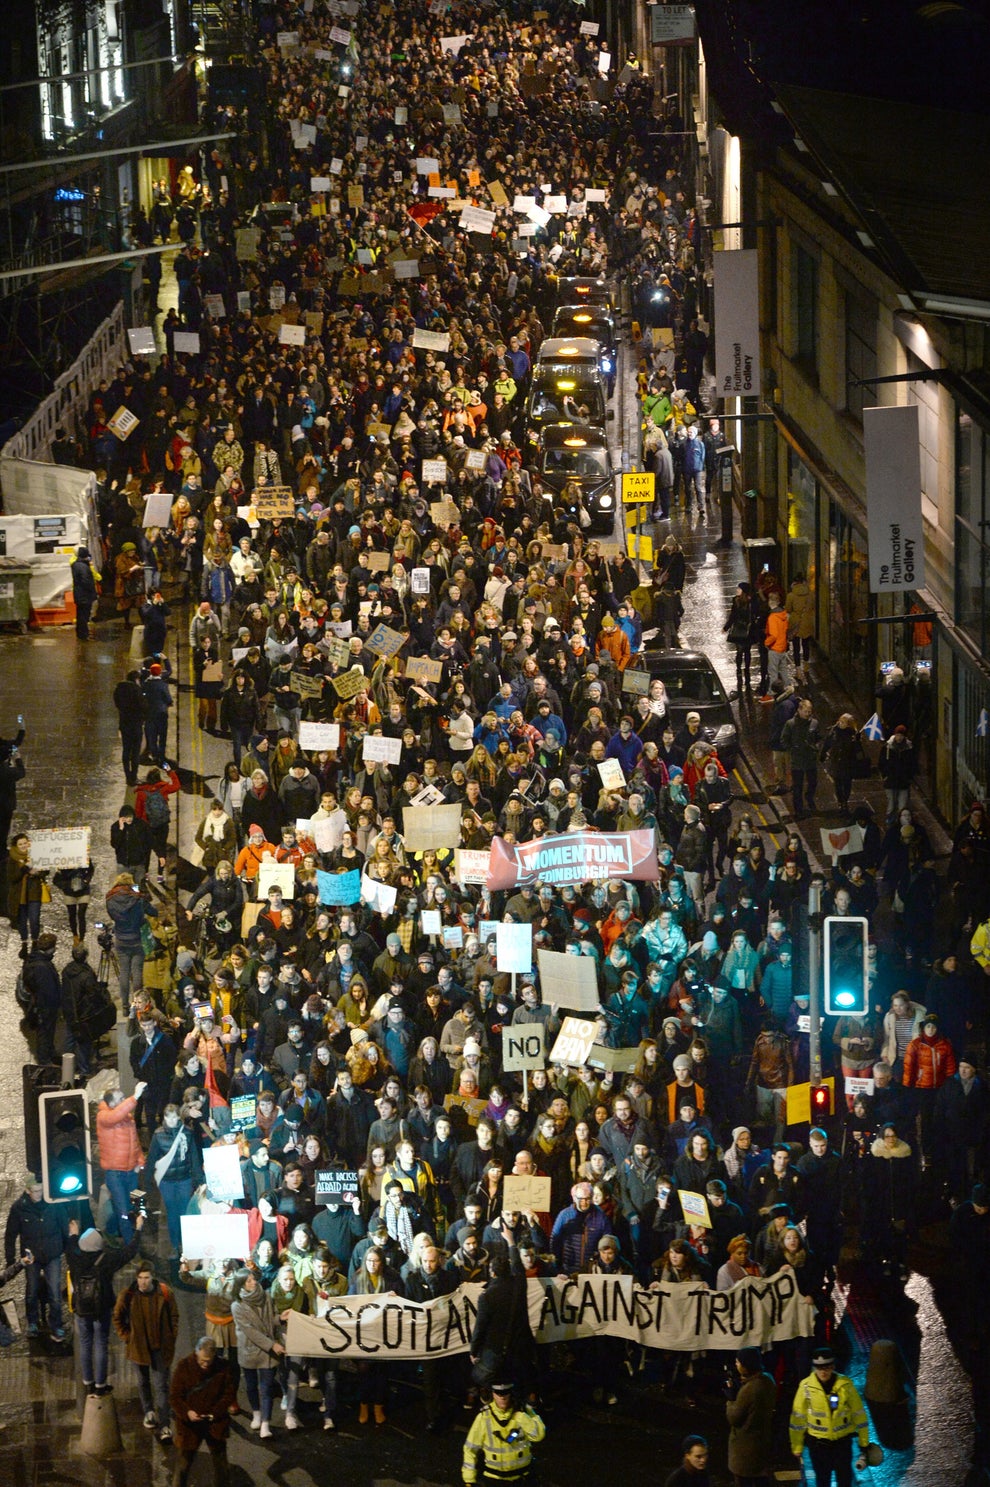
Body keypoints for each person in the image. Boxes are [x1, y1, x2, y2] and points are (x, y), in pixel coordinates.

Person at [65, 1212, 144, 1396]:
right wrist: (138, 1229)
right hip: (102, 1307)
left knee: (85, 1343)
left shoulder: (74, 1258)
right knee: (101, 1343)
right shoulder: (107, 1260)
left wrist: (74, 1233)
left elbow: (70, 1243)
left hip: (82, 1309)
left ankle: (88, 1382)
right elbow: (130, 1251)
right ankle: (100, 1384)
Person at [113, 1259, 179, 1440]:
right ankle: (149, 1411)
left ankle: (165, 1425)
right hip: (139, 1348)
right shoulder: (128, 1295)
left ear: (152, 1278)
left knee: (161, 1386)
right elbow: (117, 1317)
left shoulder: (165, 1293)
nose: (143, 1281)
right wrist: (128, 1337)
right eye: (140, 1277)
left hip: (159, 1348)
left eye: (147, 1277)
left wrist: (171, 1337)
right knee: (143, 1382)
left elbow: (174, 1315)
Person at [789, 1345, 871, 1486]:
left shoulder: (845, 1385)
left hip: (842, 1444)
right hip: (818, 1446)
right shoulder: (806, 1387)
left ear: (833, 1366)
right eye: (819, 1368)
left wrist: (864, 1442)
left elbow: (859, 1414)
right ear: (814, 1368)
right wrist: (797, 1446)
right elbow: (797, 1419)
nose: (823, 1372)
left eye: (826, 1367)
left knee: (844, 1480)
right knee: (822, 1480)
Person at [4, 1173, 67, 1340]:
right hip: (31, 1256)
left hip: (52, 1253)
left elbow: (64, 1227)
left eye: (41, 1190)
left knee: (54, 1292)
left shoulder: (54, 1204)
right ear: (27, 1190)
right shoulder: (18, 1208)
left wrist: (69, 1247)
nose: (39, 1194)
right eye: (35, 1191)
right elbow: (11, 1234)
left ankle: (56, 1324)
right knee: (31, 1290)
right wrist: (10, 1261)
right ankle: (32, 1322)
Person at [170, 1336, 239, 1487]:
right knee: (183, 1464)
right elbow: (175, 1397)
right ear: (196, 1352)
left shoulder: (223, 1367)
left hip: (214, 1423)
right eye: (202, 1360)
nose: (205, 1364)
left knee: (220, 1463)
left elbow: (229, 1395)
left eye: (209, 1361)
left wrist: (215, 1413)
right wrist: (187, 1413)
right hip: (189, 1426)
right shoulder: (184, 1366)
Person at [462, 1379, 546, 1485]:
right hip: (494, 1479)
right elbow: (470, 1448)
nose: (502, 1397)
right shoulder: (484, 1417)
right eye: (498, 1393)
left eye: (505, 1393)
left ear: (511, 1393)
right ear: (493, 1394)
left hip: (522, 1478)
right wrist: (469, 1479)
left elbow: (539, 1436)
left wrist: (521, 1417)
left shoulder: (523, 1412)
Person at [95, 1082, 147, 1241]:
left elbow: (134, 1141)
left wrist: (140, 1161)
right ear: (111, 1104)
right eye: (121, 1098)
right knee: (124, 1211)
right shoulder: (104, 1116)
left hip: (131, 1171)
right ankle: (130, 1246)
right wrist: (134, 1097)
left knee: (129, 1207)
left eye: (124, 1097)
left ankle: (110, 1231)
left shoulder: (126, 1117)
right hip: (115, 1174)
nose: (124, 1100)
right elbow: (114, 1116)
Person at [726, 1346, 776, 1487]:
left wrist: (731, 1400)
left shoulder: (750, 1389)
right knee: (761, 1480)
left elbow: (734, 1417)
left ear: (746, 1366)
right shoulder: (767, 1380)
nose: (736, 1364)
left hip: (745, 1449)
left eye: (738, 1362)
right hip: (762, 1444)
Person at [70, 545, 101, 640]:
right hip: (85, 595)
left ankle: (81, 634)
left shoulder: (76, 564)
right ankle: (84, 635)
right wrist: (93, 593)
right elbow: (86, 581)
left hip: (79, 594)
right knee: (84, 616)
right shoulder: (83, 566)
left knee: (80, 615)